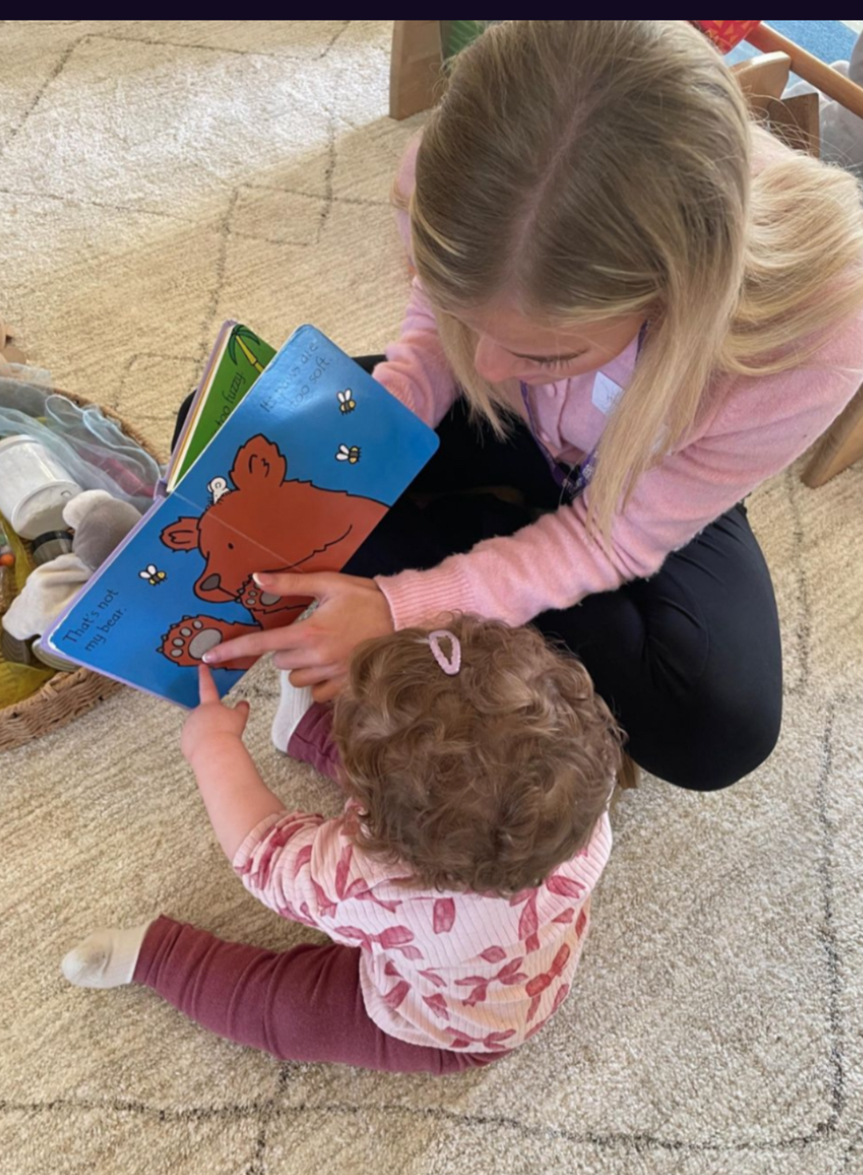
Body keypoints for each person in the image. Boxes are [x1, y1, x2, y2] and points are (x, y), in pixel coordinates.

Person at [188, 20, 863, 791]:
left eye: (546, 354)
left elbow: (611, 540)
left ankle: (475, 550)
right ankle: (486, 549)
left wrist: (402, 607)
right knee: (229, 437)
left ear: (675, 296)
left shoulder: (817, 330)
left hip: (648, 476)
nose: (486, 361)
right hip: (506, 431)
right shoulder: (459, 177)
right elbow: (438, 338)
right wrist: (387, 413)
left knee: (716, 730)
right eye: (468, 319)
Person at [62, 616, 621, 1076]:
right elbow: (453, 790)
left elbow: (265, 853)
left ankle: (159, 957)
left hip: (453, 1030)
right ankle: (306, 733)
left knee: (283, 1015)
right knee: (438, 786)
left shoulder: (370, 881)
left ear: (389, 847)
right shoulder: (578, 796)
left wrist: (213, 749)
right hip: (505, 961)